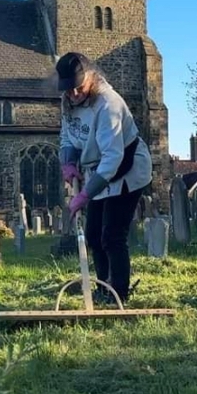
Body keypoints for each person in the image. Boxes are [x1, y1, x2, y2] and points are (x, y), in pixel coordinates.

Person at [56, 51, 152, 304]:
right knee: (93, 235)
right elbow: (68, 135)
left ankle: (118, 293)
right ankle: (101, 287)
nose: (74, 94)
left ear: (89, 77)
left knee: (112, 235)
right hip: (97, 170)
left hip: (126, 169)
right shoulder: (67, 101)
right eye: (68, 90)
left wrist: (86, 194)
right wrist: (68, 163)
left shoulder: (108, 104)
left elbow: (113, 157)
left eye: (78, 88)